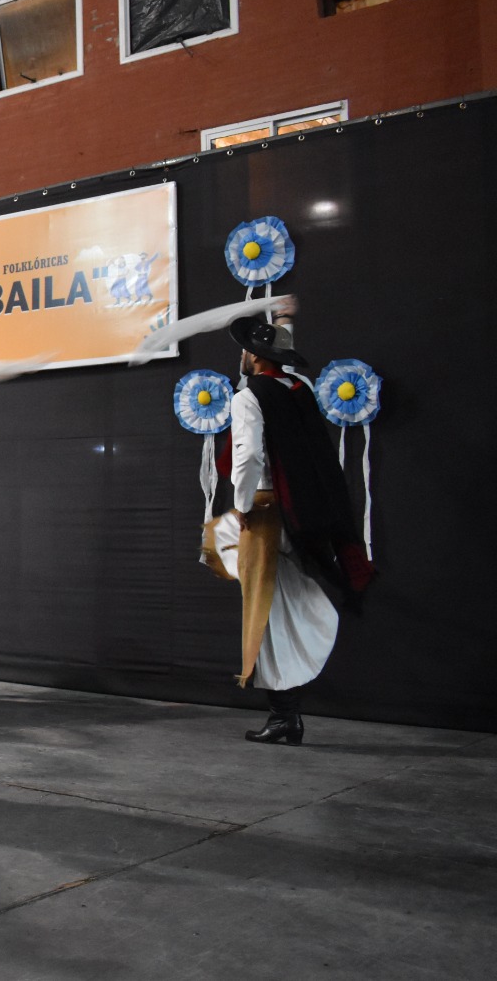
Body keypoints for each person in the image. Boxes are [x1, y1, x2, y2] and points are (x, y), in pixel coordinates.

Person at [221, 313, 373, 745]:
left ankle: (284, 714)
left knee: (263, 613)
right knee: (286, 605)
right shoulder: (299, 388)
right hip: (307, 513)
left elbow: (249, 457)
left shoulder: (249, 395)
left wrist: (242, 506)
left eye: (246, 350)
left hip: (268, 513)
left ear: (253, 354)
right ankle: (286, 713)